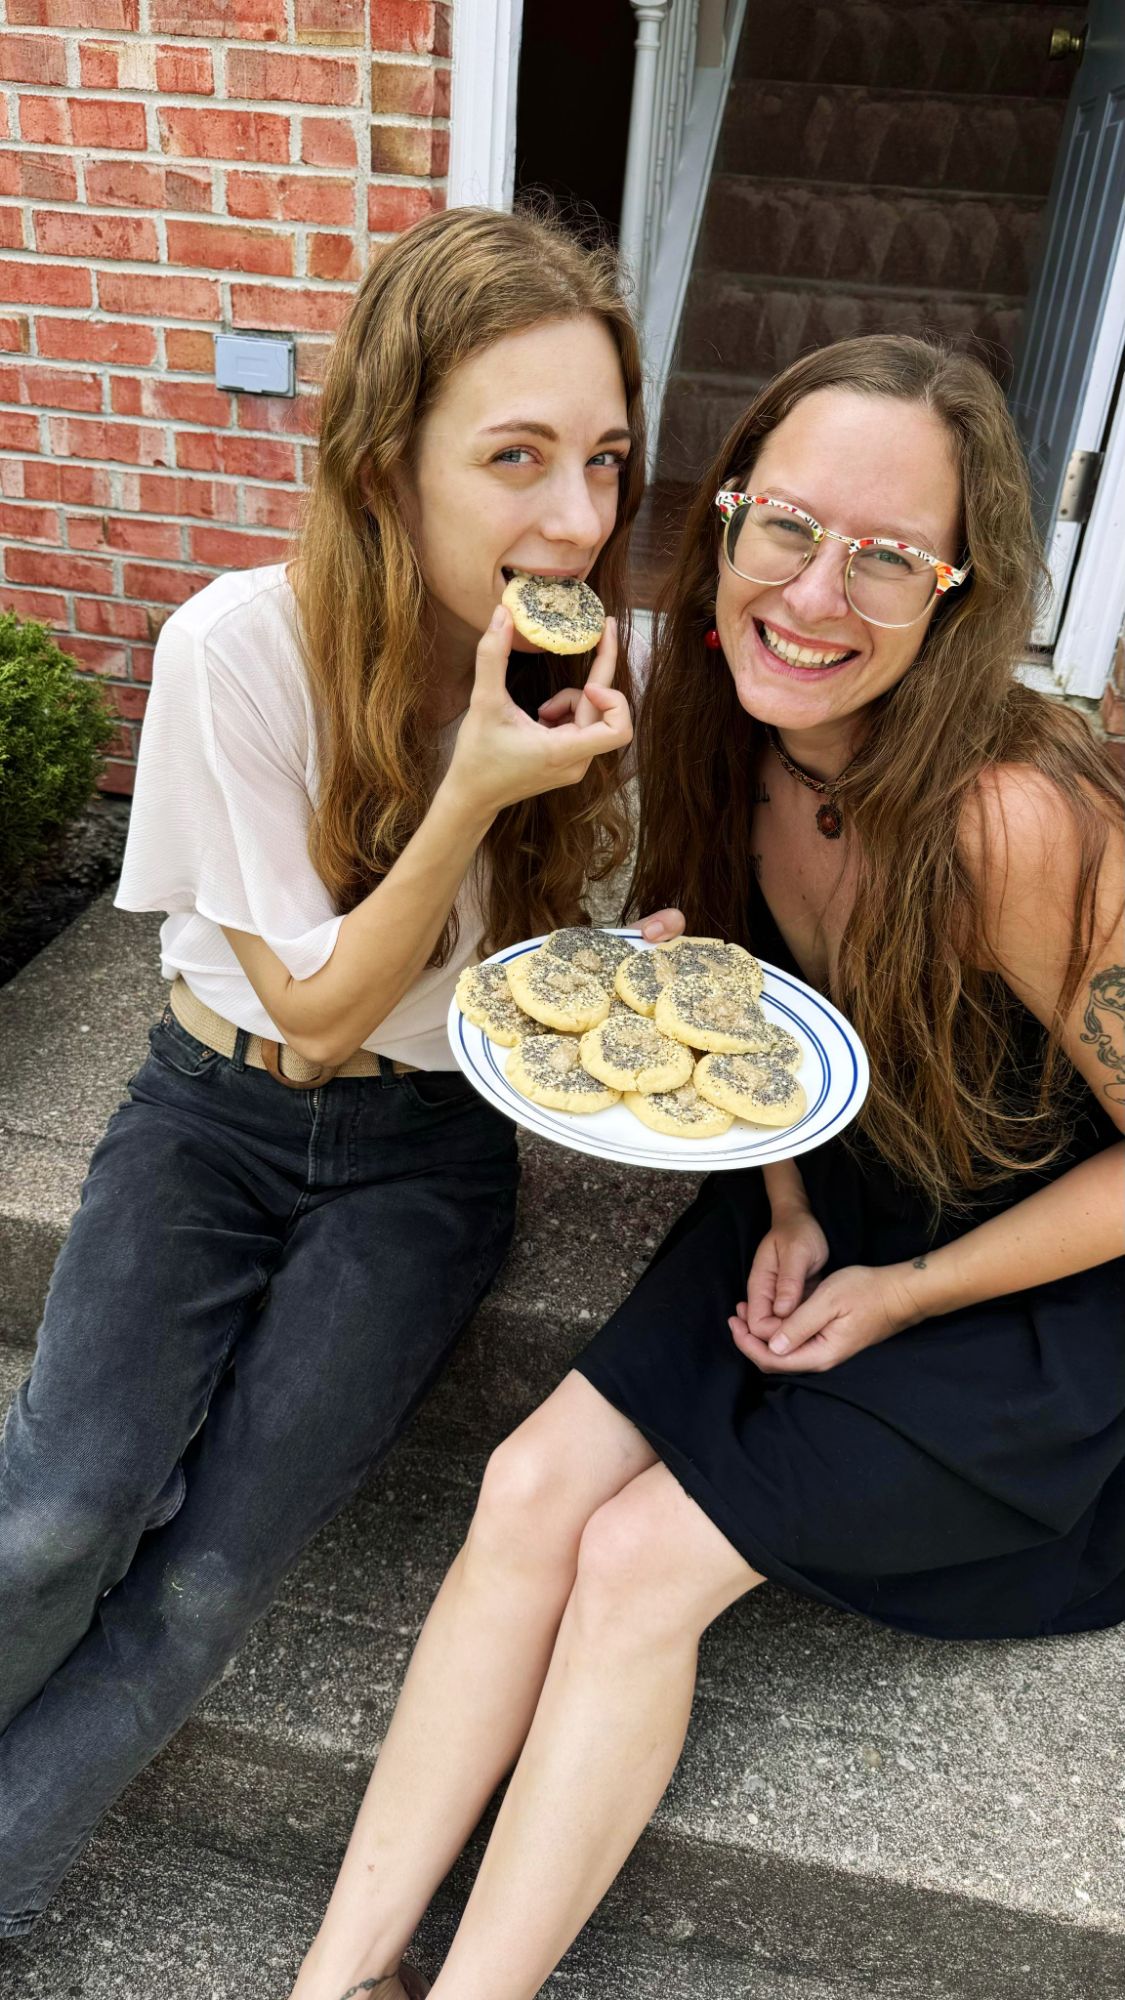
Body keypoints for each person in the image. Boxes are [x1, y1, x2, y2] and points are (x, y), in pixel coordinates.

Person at [288, 336, 1124, 2000]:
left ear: (960, 591)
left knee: (637, 1559)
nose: (817, 591)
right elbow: (753, 1005)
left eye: (887, 555)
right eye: (784, 528)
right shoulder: (724, 723)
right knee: (528, 1490)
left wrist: (900, 1290)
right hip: (844, 1188)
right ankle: (337, 1976)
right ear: (723, 520)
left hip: (1041, 1274)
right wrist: (796, 1204)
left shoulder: (1011, 821)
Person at [0, 205, 683, 1939]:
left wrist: (641, 963)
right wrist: (469, 789)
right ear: (387, 461)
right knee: (62, 1513)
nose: (575, 521)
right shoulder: (239, 646)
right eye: (515, 456)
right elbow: (307, 1010)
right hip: (212, 1117)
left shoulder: (592, 661)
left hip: (426, 1158)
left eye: (602, 461)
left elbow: (547, 970)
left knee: (206, 1579)